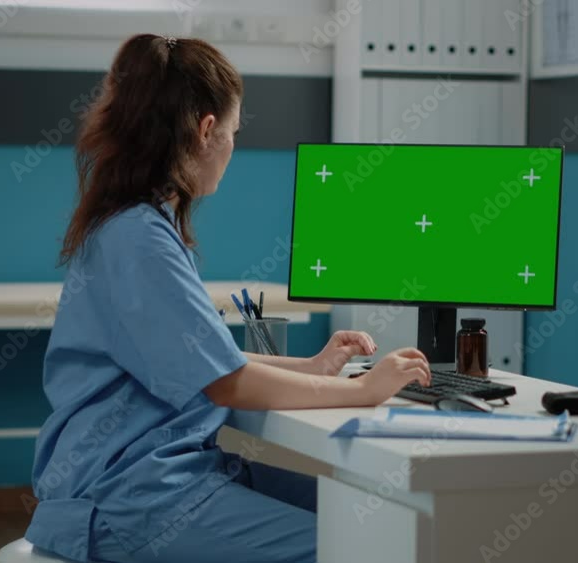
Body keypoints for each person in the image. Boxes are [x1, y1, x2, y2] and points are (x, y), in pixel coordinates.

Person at [24, 34, 431, 563]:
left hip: (150, 477)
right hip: (131, 498)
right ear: (207, 129)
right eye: (235, 133)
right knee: (355, 548)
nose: (232, 148)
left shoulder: (138, 223)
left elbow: (197, 356)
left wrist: (313, 365)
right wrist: (366, 391)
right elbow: (224, 380)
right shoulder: (140, 239)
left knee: (372, 519)